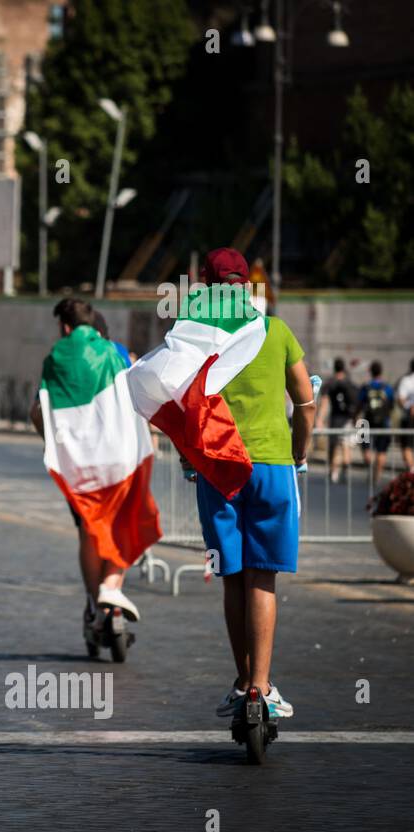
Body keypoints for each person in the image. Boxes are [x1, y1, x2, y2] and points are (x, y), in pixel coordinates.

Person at [188, 249, 315, 722]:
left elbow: (181, 401)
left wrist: (189, 456)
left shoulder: (197, 336)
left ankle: (243, 684)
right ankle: (262, 689)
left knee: (233, 576)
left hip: (219, 467)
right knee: (263, 577)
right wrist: (299, 450)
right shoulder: (276, 330)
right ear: (248, 285)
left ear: (205, 286)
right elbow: (305, 402)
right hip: (272, 467)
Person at [31, 298, 141, 626]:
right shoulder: (114, 354)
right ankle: (112, 585)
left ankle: (95, 608)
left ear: (65, 327)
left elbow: (37, 411)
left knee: (88, 532)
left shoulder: (55, 358)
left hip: (78, 463)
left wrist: (54, 443)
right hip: (116, 458)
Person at [358, 360, 395, 489]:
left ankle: (371, 467)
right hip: (384, 422)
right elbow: (391, 405)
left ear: (371, 372)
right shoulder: (387, 388)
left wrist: (355, 418)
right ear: (381, 372)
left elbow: (360, 404)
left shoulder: (366, 387)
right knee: (381, 451)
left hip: (367, 422)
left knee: (365, 447)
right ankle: (377, 477)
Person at [322, 357, 358, 483]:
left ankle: (333, 472)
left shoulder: (331, 383)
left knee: (334, 447)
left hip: (335, 418)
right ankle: (345, 471)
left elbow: (325, 401)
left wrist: (320, 419)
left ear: (334, 368)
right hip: (348, 418)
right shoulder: (350, 383)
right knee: (346, 446)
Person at [395, 358, 414, 473]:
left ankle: (412, 472)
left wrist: (408, 406)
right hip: (409, 417)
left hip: (409, 418)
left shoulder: (407, 380)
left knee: (406, 446)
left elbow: (401, 400)